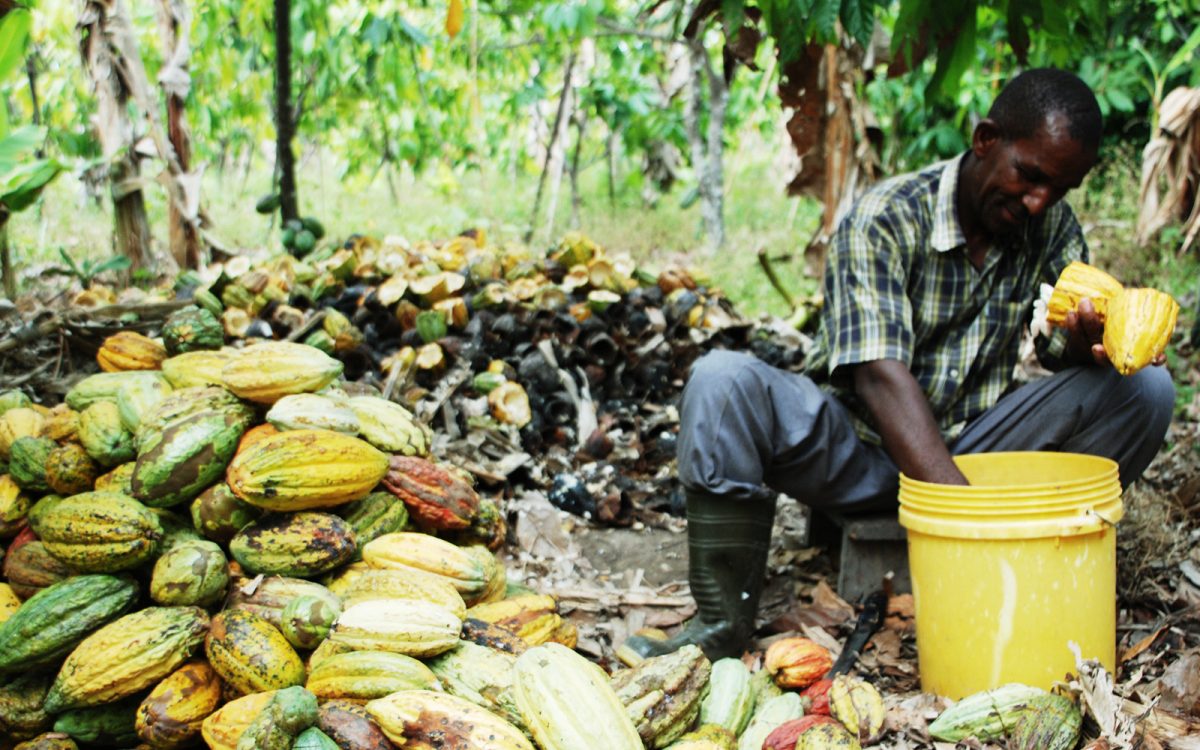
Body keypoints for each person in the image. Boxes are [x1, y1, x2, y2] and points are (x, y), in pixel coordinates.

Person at [624, 68, 1175, 661]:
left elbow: (1050, 348)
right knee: (721, 382)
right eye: (1031, 176)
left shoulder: (1048, 228)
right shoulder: (885, 216)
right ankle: (720, 625)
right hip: (853, 449)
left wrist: (1084, 339)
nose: (1039, 201)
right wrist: (966, 522)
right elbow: (876, 375)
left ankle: (1043, 543)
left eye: (1058, 190)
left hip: (973, 449)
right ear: (986, 139)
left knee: (1145, 388)